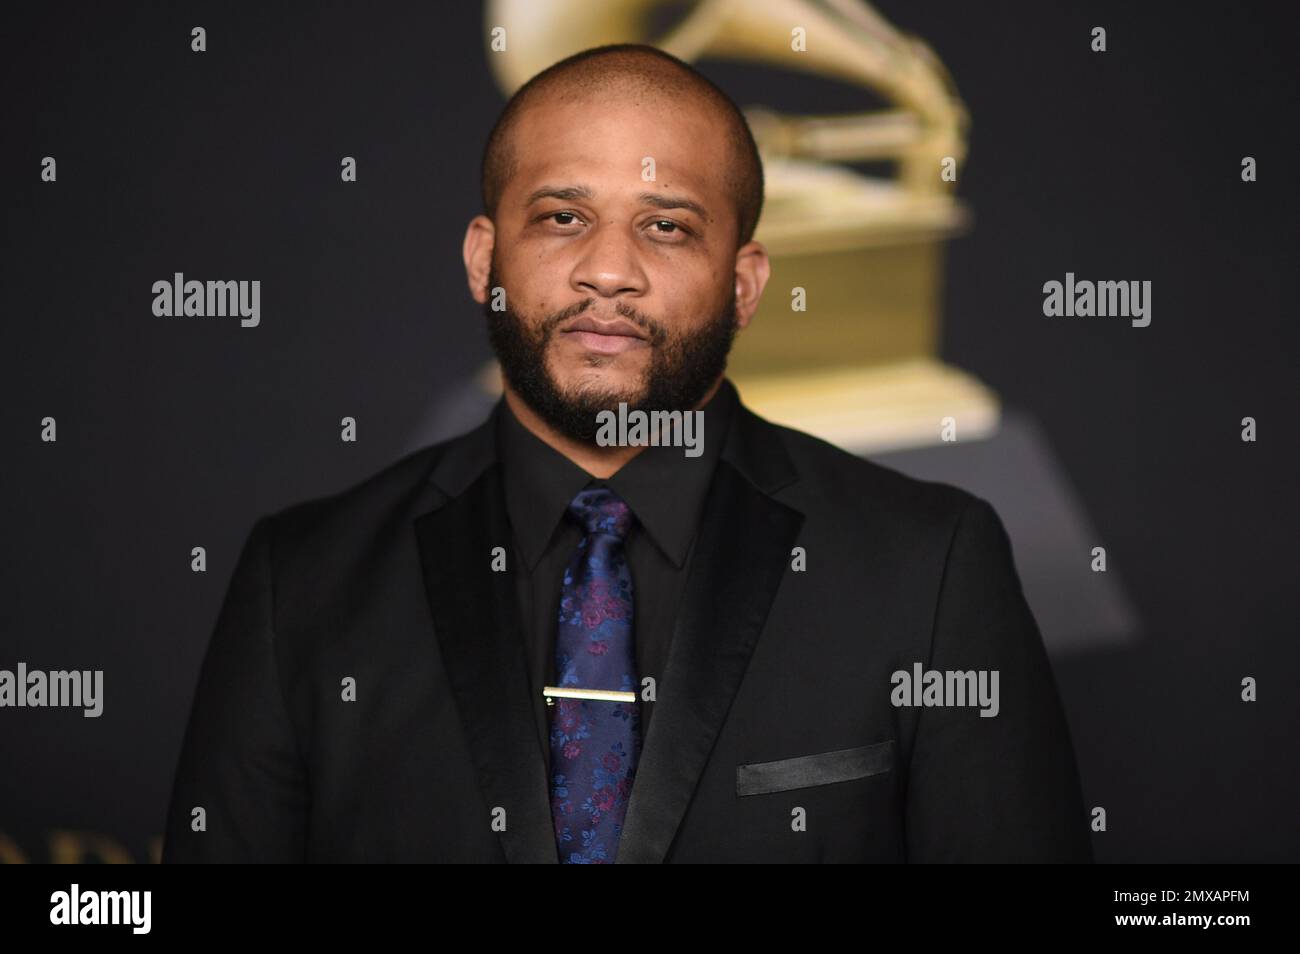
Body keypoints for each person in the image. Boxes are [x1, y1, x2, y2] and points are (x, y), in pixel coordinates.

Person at [162, 43, 1091, 863]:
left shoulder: (930, 567)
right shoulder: (306, 582)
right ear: (484, 259)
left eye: (667, 225)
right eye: (563, 217)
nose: (610, 271)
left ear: (744, 283)